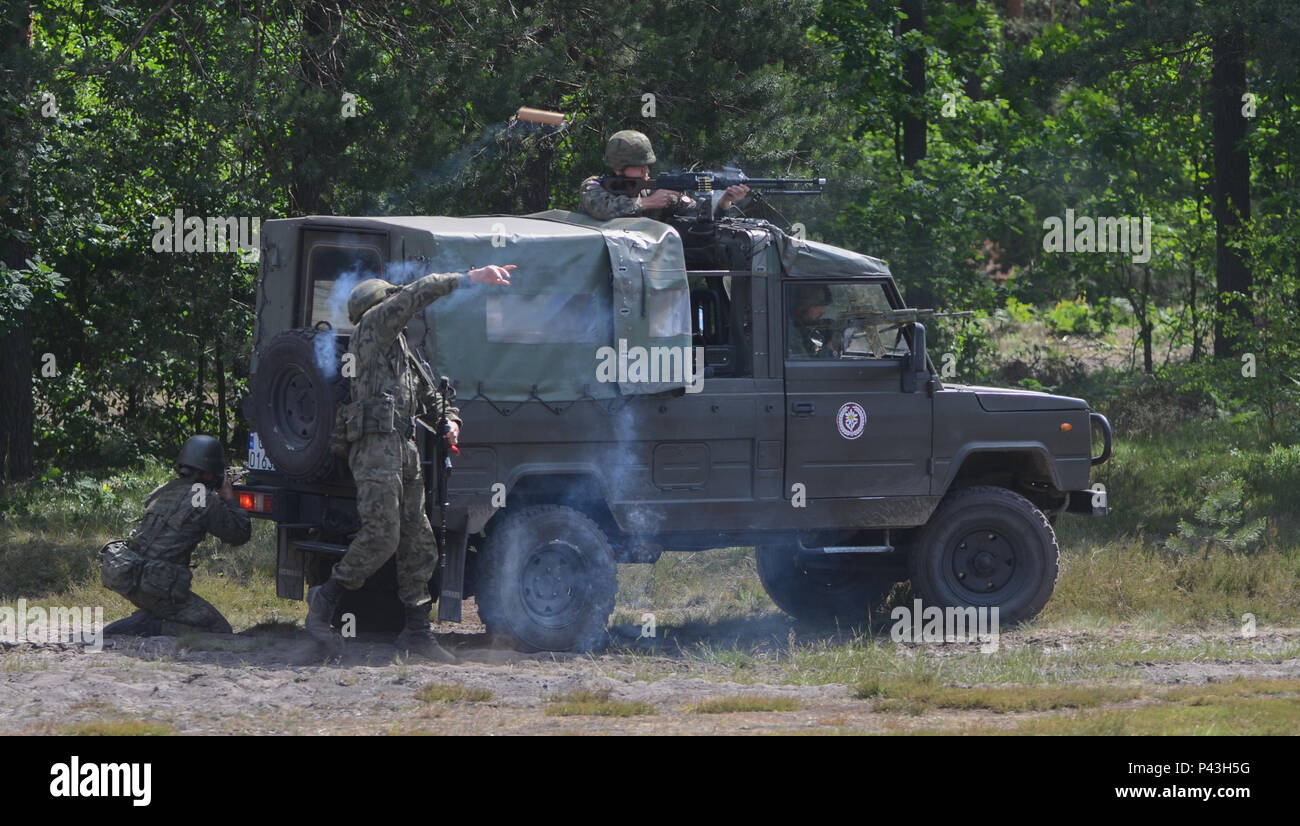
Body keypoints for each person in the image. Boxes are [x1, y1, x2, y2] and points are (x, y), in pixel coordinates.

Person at [305, 264, 515, 661]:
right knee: (381, 537)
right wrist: (470, 278)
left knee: (419, 542)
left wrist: (450, 419)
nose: (401, 309)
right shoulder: (373, 327)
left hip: (403, 448)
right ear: (381, 306)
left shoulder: (400, 351)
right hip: (375, 448)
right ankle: (324, 603)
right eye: (393, 301)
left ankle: (417, 632)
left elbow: (431, 395)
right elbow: (415, 295)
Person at [99, 435, 251, 636]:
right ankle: (150, 625)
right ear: (208, 474)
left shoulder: (164, 490)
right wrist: (229, 499)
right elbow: (239, 534)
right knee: (218, 629)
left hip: (129, 573)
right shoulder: (203, 498)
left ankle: (148, 617)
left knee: (164, 605)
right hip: (157, 583)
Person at [578, 130, 750, 221]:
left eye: (647, 166)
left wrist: (725, 201)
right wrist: (647, 203)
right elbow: (602, 209)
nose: (646, 171)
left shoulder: (650, 191)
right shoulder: (594, 186)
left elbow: (701, 218)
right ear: (618, 169)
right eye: (639, 167)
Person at [787, 283, 833, 359]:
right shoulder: (791, 333)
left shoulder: (801, 329)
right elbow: (807, 367)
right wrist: (830, 348)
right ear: (801, 306)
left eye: (823, 305)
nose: (822, 311)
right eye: (817, 305)